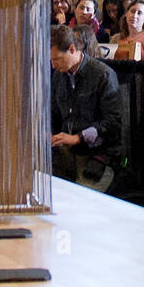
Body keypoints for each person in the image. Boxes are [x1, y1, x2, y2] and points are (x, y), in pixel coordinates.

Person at [50, 25, 124, 190]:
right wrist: (49, 132)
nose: (54, 65)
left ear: (72, 49)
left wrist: (78, 137)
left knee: (82, 200)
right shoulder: (58, 76)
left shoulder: (103, 75)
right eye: (51, 60)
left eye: (57, 59)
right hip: (66, 153)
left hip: (98, 154)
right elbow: (53, 113)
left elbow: (112, 122)